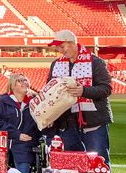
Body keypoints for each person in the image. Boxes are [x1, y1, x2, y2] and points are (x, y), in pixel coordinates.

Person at [46, 29, 113, 165]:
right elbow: (49, 91)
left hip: (93, 122)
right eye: (58, 47)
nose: (60, 50)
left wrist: (84, 91)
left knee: (98, 162)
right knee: (72, 165)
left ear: (72, 43)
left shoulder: (96, 62)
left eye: (62, 46)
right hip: (67, 123)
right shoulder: (55, 64)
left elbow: (106, 89)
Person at [0, 73, 39, 173]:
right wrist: (17, 134)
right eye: (20, 81)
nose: (24, 83)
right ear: (12, 85)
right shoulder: (0, 103)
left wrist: (37, 96)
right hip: (4, 143)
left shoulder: (35, 103)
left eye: (25, 80)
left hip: (25, 145)